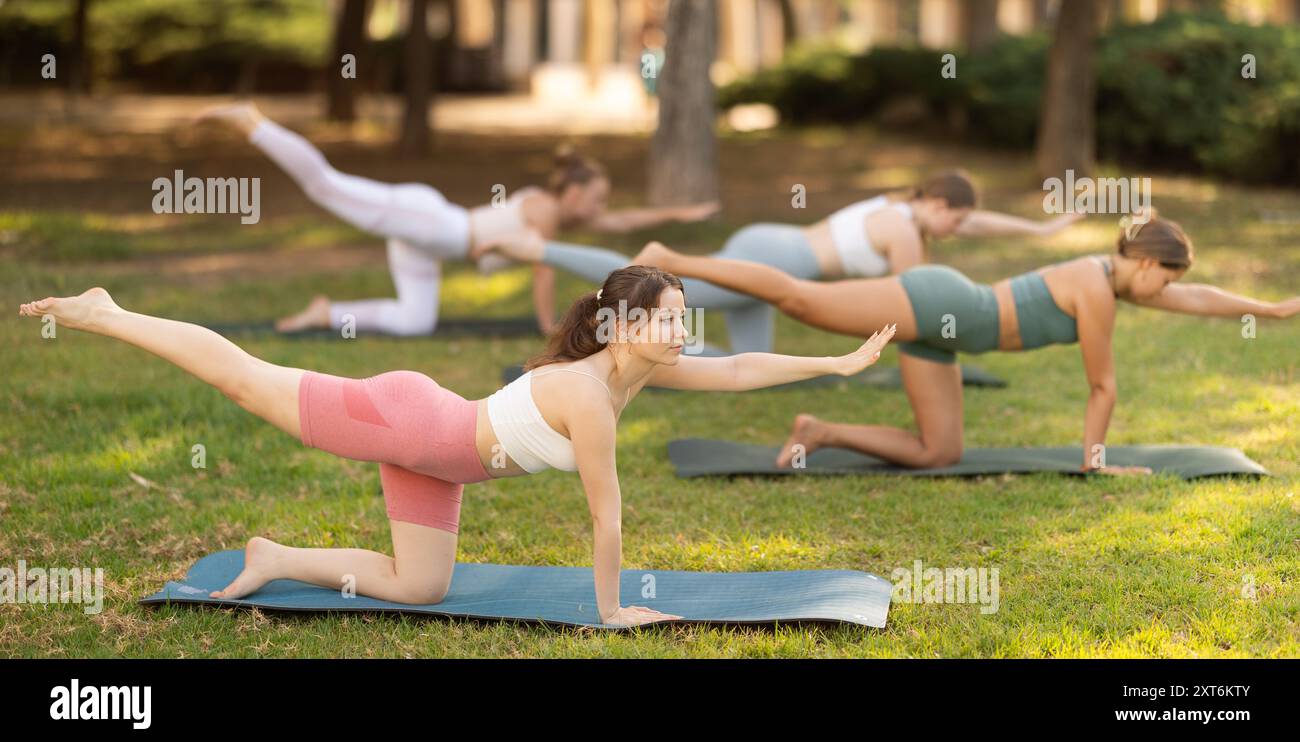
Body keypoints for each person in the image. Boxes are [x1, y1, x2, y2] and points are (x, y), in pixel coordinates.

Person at [18, 267, 895, 626]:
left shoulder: (633, 371)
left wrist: (841, 359)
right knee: (246, 378)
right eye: (670, 317)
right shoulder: (590, 394)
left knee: (420, 585)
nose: (684, 329)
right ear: (625, 326)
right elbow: (605, 516)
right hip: (407, 421)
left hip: (439, 461)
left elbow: (740, 370)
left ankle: (274, 554)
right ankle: (111, 312)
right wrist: (613, 608)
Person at [632, 212, 1299, 473]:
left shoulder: (1114, 279)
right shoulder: (1095, 288)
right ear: (1149, 266)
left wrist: (1269, 307)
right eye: (1168, 281)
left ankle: (820, 429)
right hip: (938, 302)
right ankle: (673, 257)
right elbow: (1104, 385)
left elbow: (1201, 298)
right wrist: (1097, 460)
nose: (1168, 292)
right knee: (799, 296)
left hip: (943, 339)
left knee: (939, 451)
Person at [197, 102, 718, 336]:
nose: (601, 211)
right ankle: (254, 124)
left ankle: (326, 312)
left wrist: (679, 210)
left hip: (426, 245)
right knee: (326, 186)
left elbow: (624, 223)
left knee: (415, 321)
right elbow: (542, 270)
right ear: (575, 191)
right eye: (598, 199)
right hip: (433, 224)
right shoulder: (544, 211)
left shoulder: (565, 216)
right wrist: (544, 325)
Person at [476, 170, 1080, 352]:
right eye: (954, 218)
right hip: (775, 261)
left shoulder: (900, 205)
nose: (958, 230)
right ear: (934, 204)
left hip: (776, 250)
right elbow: (910, 290)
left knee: (747, 363)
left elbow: (976, 218)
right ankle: (539, 249)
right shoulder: (901, 229)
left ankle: (635, 349)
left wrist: (1042, 226)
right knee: (653, 284)